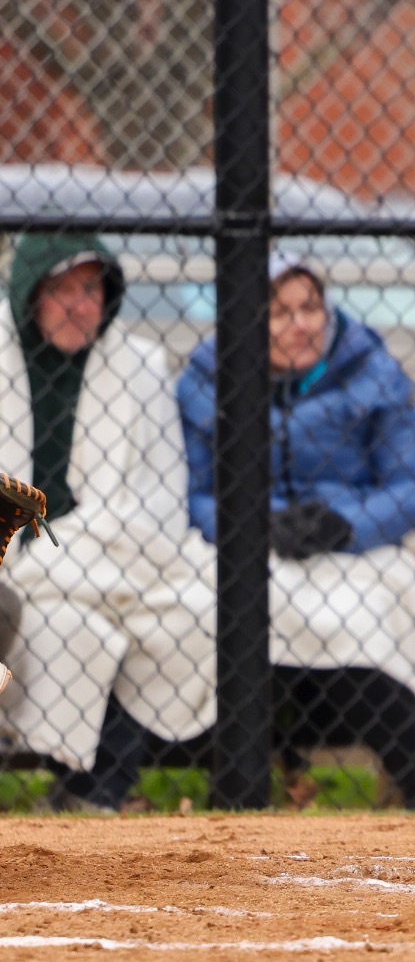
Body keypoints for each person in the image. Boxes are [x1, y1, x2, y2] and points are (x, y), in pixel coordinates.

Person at [176, 251, 415, 809]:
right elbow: (195, 495)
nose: (300, 324)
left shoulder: (370, 369)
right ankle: (234, 792)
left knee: (365, 615)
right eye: (279, 312)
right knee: (217, 606)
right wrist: (250, 527)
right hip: (249, 543)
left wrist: (345, 524)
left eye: (310, 308)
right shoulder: (207, 380)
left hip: (350, 543)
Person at [0, 234, 217, 811]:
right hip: (19, 556)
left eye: (91, 288)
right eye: (62, 290)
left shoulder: (139, 365)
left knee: (190, 618)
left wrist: (83, 542)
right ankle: (85, 787)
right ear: (29, 296)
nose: (79, 305)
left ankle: (94, 793)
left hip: (120, 555)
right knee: (68, 626)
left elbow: (163, 494)